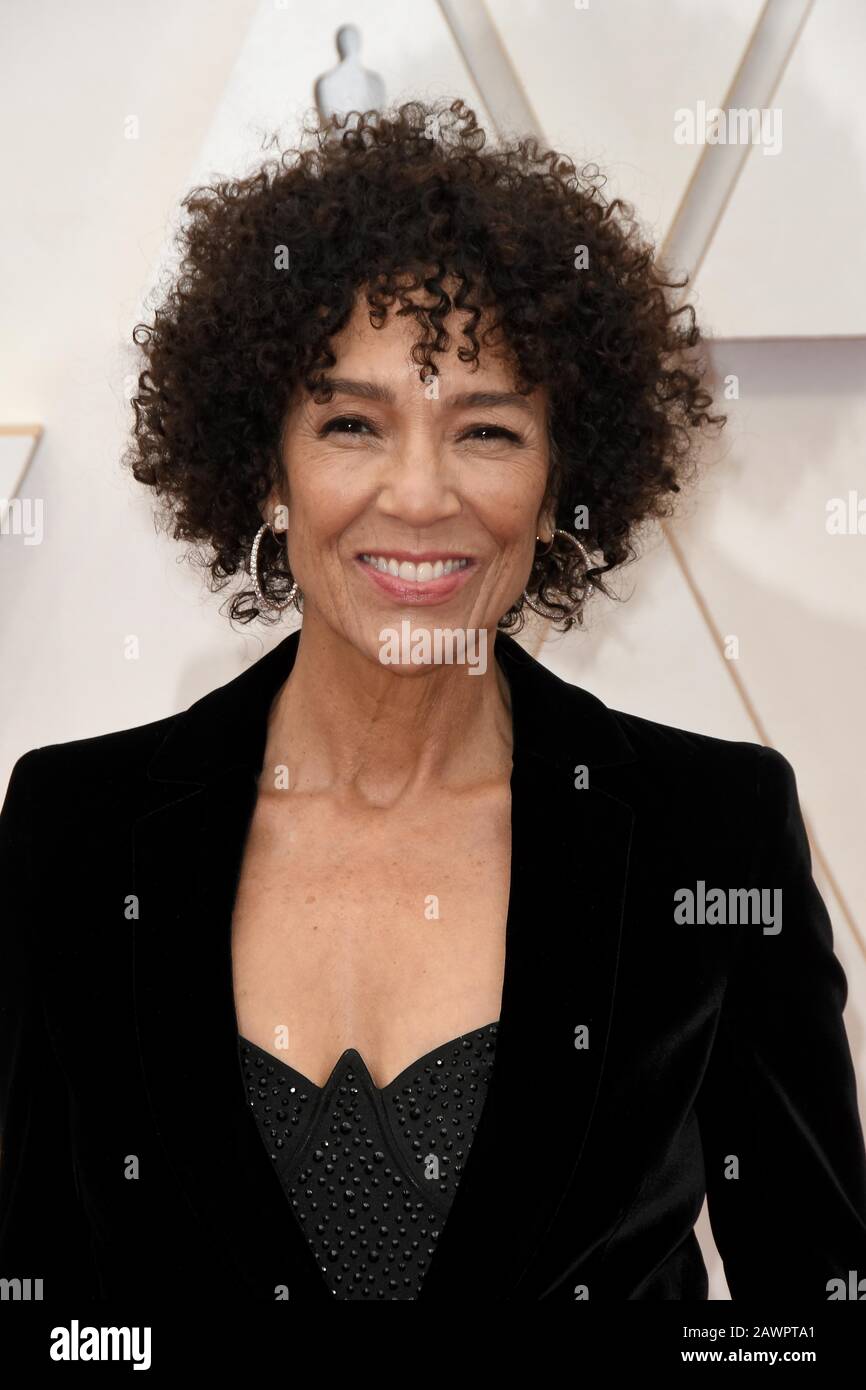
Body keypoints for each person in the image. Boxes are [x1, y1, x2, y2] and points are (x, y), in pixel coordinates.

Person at [2, 99, 865, 1303]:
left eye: (488, 430)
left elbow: (813, 1312)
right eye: (351, 423)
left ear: (563, 475)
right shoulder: (76, 827)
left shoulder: (708, 830)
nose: (417, 496)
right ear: (265, 462)